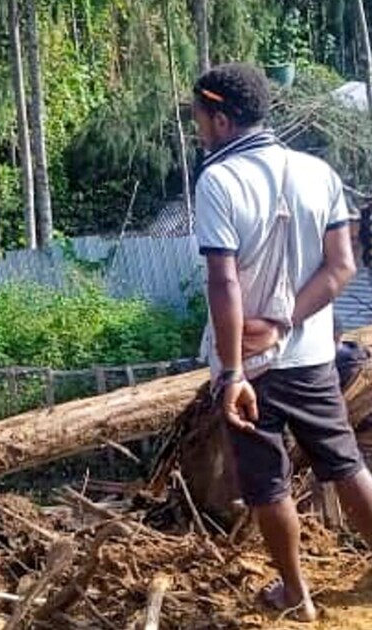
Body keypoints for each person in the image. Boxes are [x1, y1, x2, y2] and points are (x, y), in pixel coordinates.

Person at [192, 63, 372, 622]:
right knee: (346, 466)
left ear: (221, 119)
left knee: (268, 485)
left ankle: (297, 594)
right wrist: (287, 320)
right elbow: (342, 267)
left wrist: (234, 373)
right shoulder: (318, 172)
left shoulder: (218, 182)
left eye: (199, 118)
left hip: (252, 367)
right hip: (315, 355)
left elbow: (223, 282)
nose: (197, 128)